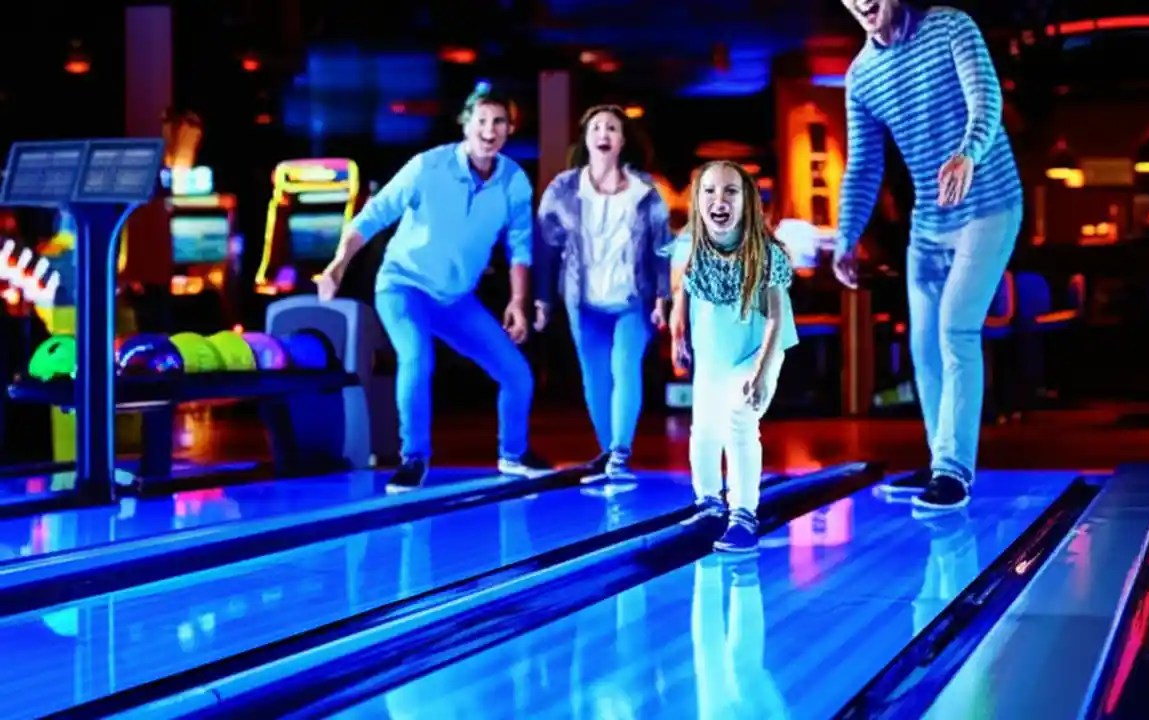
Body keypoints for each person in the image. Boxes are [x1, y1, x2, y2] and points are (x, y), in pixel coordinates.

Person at [833, 0, 1023, 513]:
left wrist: (968, 152)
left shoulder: (952, 26)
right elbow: (864, 164)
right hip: (930, 223)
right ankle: (941, 457)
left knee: (955, 331)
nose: (860, 3)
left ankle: (954, 472)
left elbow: (985, 100)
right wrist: (846, 235)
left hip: (990, 205)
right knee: (923, 346)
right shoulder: (861, 76)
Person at [317, 82, 551, 491]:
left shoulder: (514, 181)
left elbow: (519, 246)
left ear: (509, 130)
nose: (489, 130)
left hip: (455, 298)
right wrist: (338, 265)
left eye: (499, 122)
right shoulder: (427, 167)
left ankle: (514, 455)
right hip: (402, 286)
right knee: (417, 358)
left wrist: (517, 300)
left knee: (517, 374)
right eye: (481, 121)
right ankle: (414, 459)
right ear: (466, 124)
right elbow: (372, 217)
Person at [665, 161, 798, 553]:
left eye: (730, 191)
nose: (718, 199)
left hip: (760, 349)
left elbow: (775, 317)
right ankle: (708, 502)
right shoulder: (691, 244)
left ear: (748, 202)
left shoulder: (766, 251)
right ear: (697, 200)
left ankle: (743, 514)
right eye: (709, 191)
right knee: (704, 427)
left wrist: (759, 372)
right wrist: (677, 335)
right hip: (713, 350)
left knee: (738, 418)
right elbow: (681, 292)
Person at [534, 104, 672, 481]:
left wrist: (663, 297)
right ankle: (608, 449)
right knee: (595, 377)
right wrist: (542, 299)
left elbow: (663, 246)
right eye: (596, 127)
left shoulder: (646, 191)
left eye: (612, 127)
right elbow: (545, 246)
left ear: (622, 140)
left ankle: (621, 453)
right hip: (584, 300)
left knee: (625, 367)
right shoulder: (563, 189)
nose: (604, 133)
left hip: (633, 299)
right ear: (587, 139)